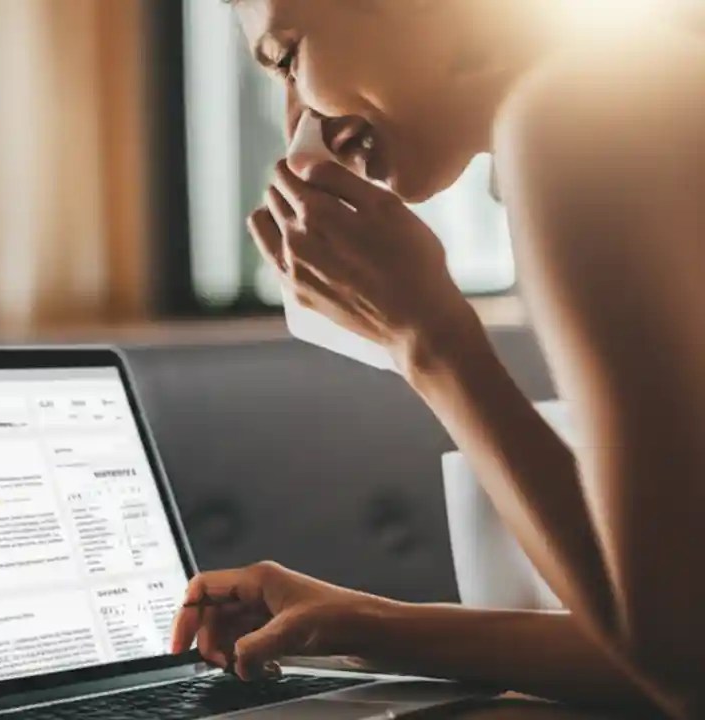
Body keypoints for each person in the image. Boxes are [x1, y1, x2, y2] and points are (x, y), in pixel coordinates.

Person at [169, 1, 705, 717]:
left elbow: (679, 660)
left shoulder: (578, 111)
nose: (298, 116)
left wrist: (429, 343)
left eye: (290, 55)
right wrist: (359, 625)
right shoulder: (649, 77)